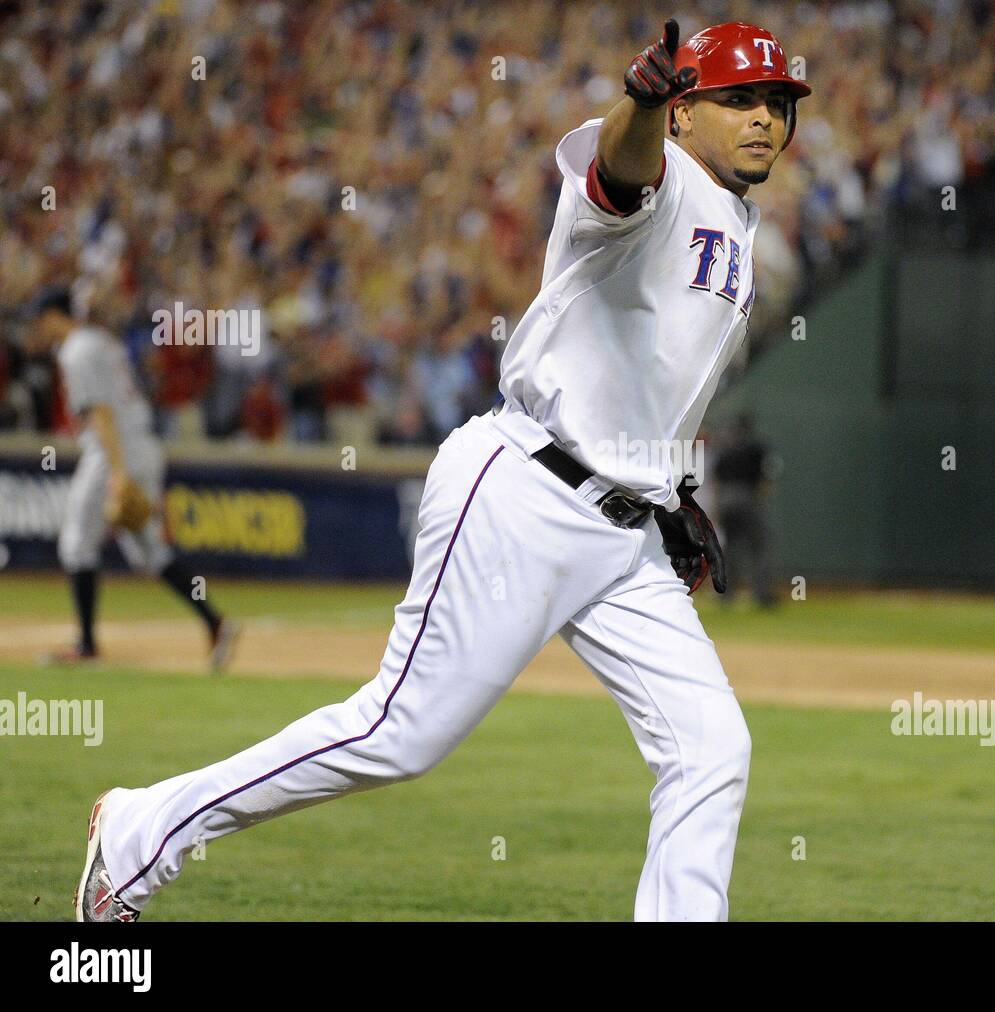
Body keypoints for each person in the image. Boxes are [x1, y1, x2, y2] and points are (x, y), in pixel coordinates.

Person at [76, 19, 811, 922]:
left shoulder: (738, 220)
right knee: (399, 732)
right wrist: (639, 104)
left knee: (711, 747)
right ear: (687, 108)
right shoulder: (658, 179)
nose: (765, 118)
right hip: (526, 490)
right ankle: (143, 829)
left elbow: (650, 376)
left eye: (778, 103)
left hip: (626, 538)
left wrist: (670, 500)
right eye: (739, 98)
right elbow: (623, 172)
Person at [24, 286, 239, 672]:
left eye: (41, 320)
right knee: (149, 552)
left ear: (55, 316)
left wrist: (119, 473)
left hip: (113, 452)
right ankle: (215, 621)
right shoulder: (101, 341)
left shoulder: (76, 349)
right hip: (143, 444)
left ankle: (87, 645)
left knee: (76, 543)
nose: (38, 329)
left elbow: (101, 413)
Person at [712, 412, 777, 606]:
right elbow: (766, 480)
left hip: (726, 497)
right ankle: (762, 594)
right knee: (760, 546)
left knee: (730, 547)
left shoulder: (726, 447)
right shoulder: (756, 447)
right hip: (747, 496)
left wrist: (718, 505)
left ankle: (725, 593)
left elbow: (715, 479)